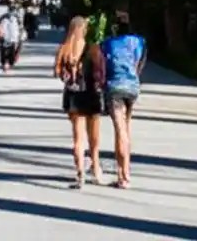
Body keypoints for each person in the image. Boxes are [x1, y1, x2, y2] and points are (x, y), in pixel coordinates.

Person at [54, 16, 106, 188]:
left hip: (73, 96)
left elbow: (58, 73)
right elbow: (100, 74)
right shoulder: (93, 49)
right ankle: (96, 169)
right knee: (94, 137)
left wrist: (71, 74)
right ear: (84, 29)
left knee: (78, 138)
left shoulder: (64, 49)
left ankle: (80, 174)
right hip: (90, 94)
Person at [100, 18, 146, 189]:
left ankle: (123, 175)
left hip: (115, 88)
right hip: (132, 87)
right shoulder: (139, 41)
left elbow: (103, 66)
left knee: (120, 131)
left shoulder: (107, 43)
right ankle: (125, 171)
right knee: (126, 129)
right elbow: (140, 63)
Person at [0, 8, 21, 73]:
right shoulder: (17, 19)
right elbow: (20, 29)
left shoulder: (2, 18)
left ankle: (5, 64)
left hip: (5, 38)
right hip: (13, 38)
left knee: (4, 52)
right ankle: (7, 64)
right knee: (10, 52)